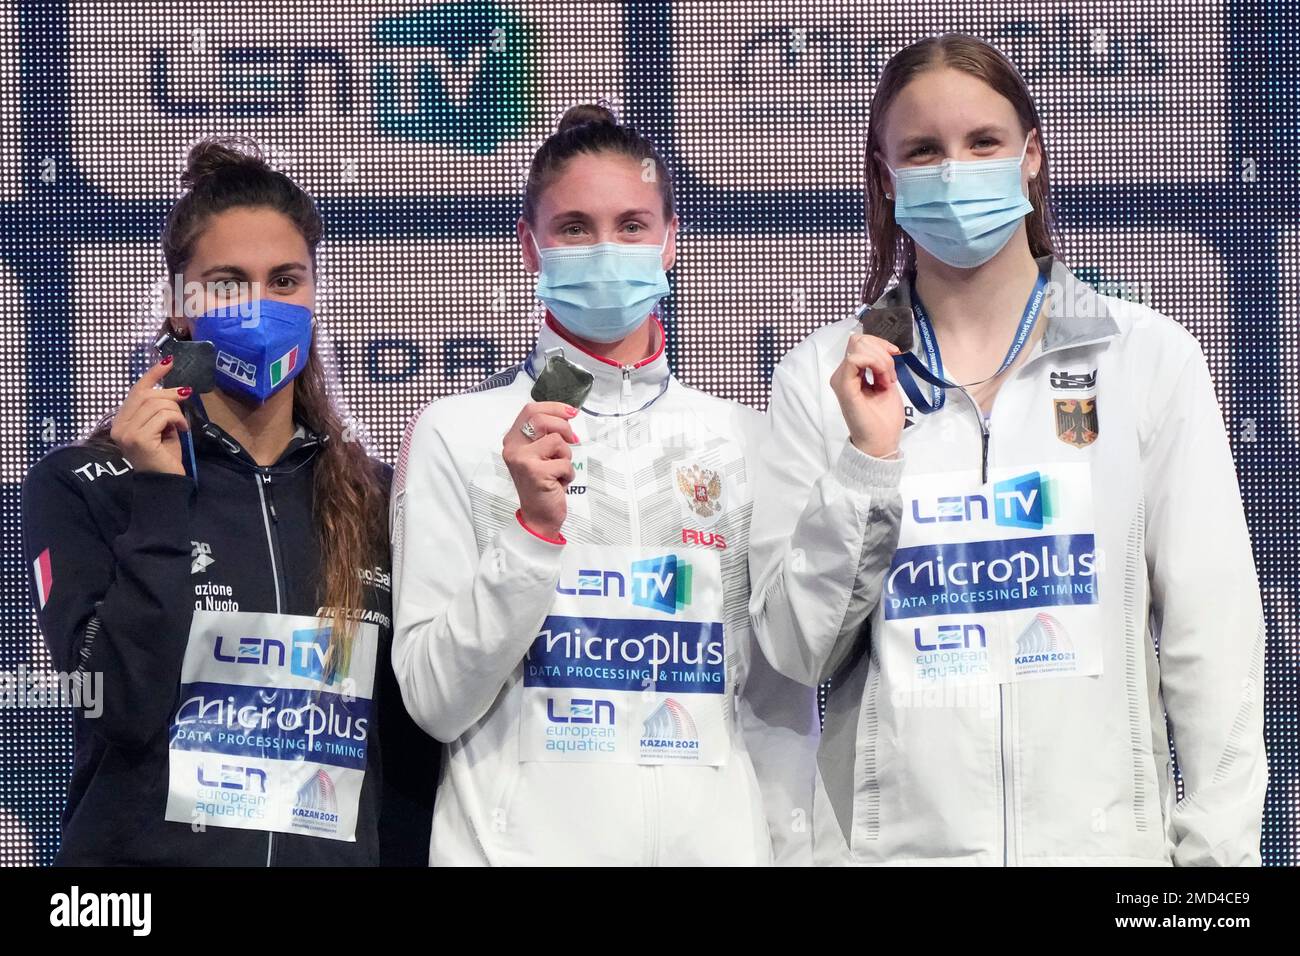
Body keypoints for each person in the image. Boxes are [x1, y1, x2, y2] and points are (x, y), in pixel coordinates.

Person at [748, 33, 1267, 866]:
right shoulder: (822, 378)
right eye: (923, 150)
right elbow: (791, 649)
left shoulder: (1146, 359)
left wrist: (1215, 871)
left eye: (982, 142)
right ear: (885, 177)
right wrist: (865, 468)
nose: (954, 171)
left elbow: (1217, 640)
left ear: (1030, 156)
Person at [391, 103, 811, 865]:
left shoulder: (744, 440)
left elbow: (778, 715)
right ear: (531, 247)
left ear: (671, 242)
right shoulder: (457, 434)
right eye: (575, 228)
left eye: (632, 226)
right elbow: (434, 700)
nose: (605, 250)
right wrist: (530, 536)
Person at [21, 135, 436, 865]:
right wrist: (159, 499)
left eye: (285, 280)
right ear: (182, 308)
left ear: (313, 294)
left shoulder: (376, 493)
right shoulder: (83, 483)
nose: (261, 305)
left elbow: (407, 746)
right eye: (228, 282)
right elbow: (118, 705)